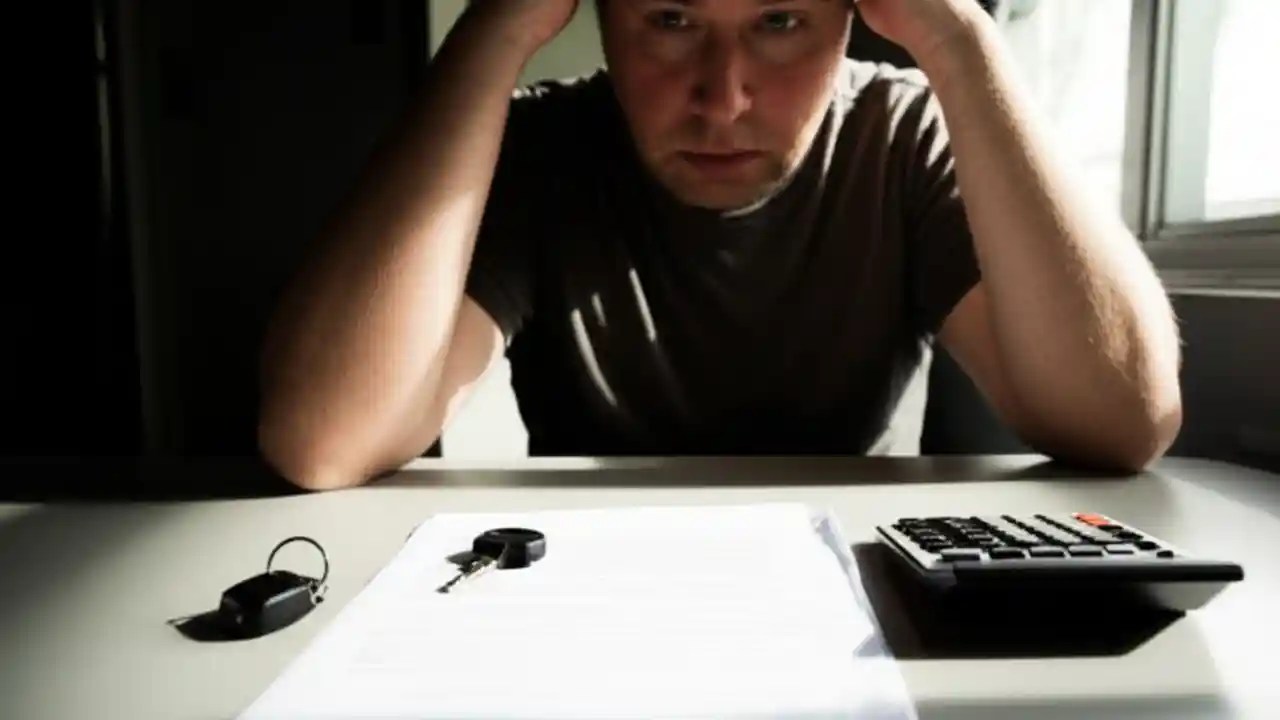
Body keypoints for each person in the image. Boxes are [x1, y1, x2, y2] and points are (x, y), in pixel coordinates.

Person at [258, 0, 1183, 492]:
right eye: (670, 20)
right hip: (580, 595)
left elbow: (1120, 420)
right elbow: (324, 441)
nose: (724, 98)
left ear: (852, 16)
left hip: (862, 604)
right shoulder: (541, 152)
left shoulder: (899, 139)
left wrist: (957, 36)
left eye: (780, 22)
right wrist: (495, 27)